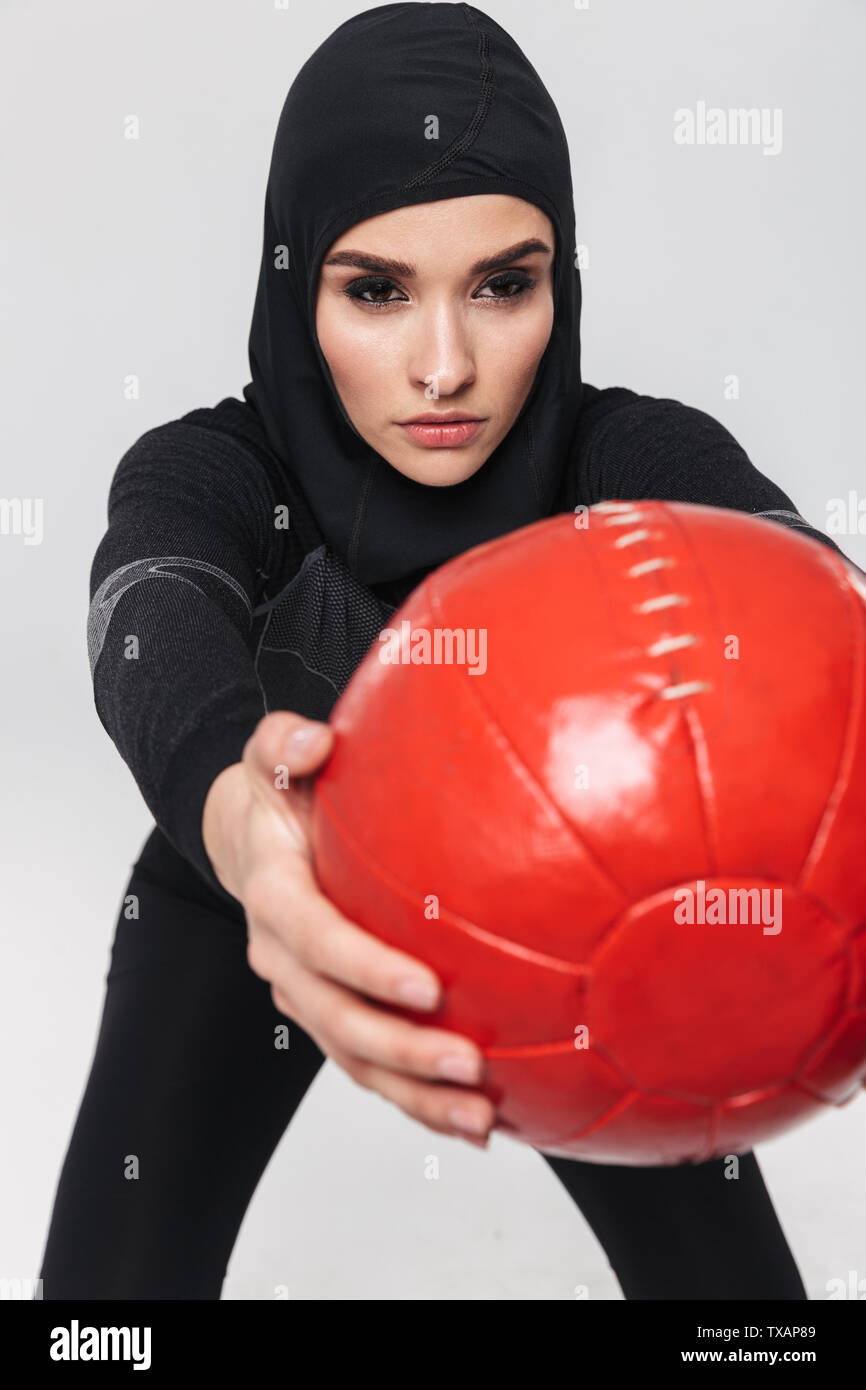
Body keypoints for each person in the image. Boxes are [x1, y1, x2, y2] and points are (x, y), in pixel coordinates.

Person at [39, 2, 847, 1300]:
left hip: (579, 905)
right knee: (103, 1316)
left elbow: (800, 586)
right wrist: (243, 821)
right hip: (252, 880)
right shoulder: (210, 468)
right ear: (292, 283)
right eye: (374, 291)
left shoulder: (624, 457)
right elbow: (147, 603)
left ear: (557, 284)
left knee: (744, 1325)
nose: (443, 365)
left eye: (501, 285)